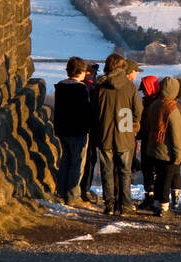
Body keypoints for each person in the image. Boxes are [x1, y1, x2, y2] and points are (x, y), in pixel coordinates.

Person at [91, 53, 142, 215]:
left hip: (105, 133)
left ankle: (110, 204)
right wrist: (130, 125)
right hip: (125, 132)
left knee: (107, 171)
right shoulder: (130, 86)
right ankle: (125, 205)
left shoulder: (100, 86)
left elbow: (93, 111)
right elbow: (138, 111)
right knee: (125, 171)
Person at [141, 76, 181, 217]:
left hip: (153, 148)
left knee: (159, 179)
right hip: (166, 152)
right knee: (166, 180)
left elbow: (148, 127)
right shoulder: (173, 109)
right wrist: (178, 155)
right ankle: (164, 208)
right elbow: (176, 134)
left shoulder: (154, 105)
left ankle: (156, 204)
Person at [52, 56, 91, 207]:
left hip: (62, 130)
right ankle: (73, 196)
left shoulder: (60, 87)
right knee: (77, 163)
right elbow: (85, 111)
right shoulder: (80, 89)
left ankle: (61, 192)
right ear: (80, 71)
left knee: (65, 161)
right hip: (78, 130)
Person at [135, 74, 161, 210]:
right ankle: (149, 195)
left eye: (145, 89)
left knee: (153, 169)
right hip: (147, 140)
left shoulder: (156, 104)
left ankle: (154, 197)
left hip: (154, 141)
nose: (143, 92)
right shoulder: (146, 102)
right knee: (146, 169)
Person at [80, 61, 100, 203]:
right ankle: (84, 189)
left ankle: (83, 188)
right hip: (89, 128)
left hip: (82, 128)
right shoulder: (91, 88)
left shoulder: (84, 87)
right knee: (89, 159)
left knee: (87, 159)